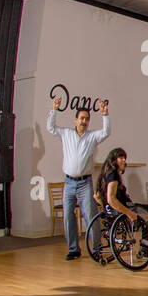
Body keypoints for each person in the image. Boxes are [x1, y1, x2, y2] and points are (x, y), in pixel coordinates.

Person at [47, 96, 111, 259]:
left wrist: (105, 114)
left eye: (87, 119)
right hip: (68, 182)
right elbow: (51, 128)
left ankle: (96, 249)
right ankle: (73, 249)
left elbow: (106, 132)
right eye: (81, 118)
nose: (84, 121)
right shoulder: (66, 134)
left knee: (90, 216)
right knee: (69, 216)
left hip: (85, 183)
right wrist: (54, 109)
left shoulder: (91, 137)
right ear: (75, 120)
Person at [97, 147, 148, 246]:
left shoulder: (105, 175)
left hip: (114, 211)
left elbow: (96, 196)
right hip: (124, 209)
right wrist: (128, 213)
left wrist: (107, 210)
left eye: (124, 158)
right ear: (114, 160)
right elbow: (111, 199)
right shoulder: (113, 176)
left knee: (146, 212)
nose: (124, 160)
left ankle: (146, 241)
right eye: (121, 157)